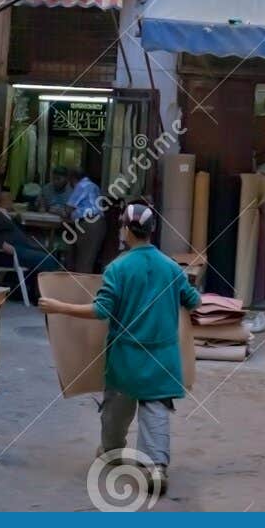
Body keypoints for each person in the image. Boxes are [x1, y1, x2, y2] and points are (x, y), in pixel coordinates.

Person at [40, 201, 200, 494]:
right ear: (152, 230)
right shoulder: (171, 268)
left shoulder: (118, 268)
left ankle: (112, 451)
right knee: (156, 409)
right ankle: (155, 467)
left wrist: (58, 306)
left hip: (127, 357)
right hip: (163, 359)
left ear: (126, 230)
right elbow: (193, 301)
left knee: (116, 410)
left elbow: (102, 311)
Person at [0, 188, 62, 297]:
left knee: (51, 253)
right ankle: (44, 295)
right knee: (46, 259)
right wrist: (2, 244)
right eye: (9, 199)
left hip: (21, 249)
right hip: (8, 254)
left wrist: (17, 218)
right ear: (2, 201)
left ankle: (38, 292)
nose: (12, 201)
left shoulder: (7, 214)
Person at [62, 167, 106, 274]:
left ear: (73, 179)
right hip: (97, 223)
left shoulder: (81, 185)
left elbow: (68, 209)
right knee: (86, 260)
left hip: (89, 224)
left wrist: (56, 210)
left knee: (84, 263)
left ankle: (82, 289)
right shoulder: (93, 185)